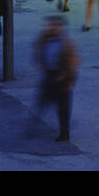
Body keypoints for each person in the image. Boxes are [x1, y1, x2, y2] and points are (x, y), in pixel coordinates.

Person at [34, 15, 79, 143]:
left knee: (63, 107)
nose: (52, 28)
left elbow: (73, 61)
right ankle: (35, 123)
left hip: (63, 76)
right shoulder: (45, 40)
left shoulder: (67, 43)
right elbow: (38, 53)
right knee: (43, 100)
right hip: (49, 74)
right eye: (51, 25)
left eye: (55, 25)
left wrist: (65, 75)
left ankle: (64, 132)